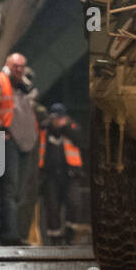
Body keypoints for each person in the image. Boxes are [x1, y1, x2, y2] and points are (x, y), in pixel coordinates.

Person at [0, 52, 40, 245]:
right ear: (8, 65)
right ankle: (9, 235)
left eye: (22, 66)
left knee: (21, 190)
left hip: (25, 143)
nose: (20, 70)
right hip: (8, 141)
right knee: (10, 189)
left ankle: (18, 233)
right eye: (16, 67)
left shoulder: (21, 87)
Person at [38, 104, 85, 245]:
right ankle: (55, 239)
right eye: (54, 119)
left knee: (74, 204)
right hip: (51, 176)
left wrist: (66, 129)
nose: (56, 122)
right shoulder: (45, 131)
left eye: (59, 119)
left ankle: (70, 234)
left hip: (70, 174)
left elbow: (80, 140)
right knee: (52, 208)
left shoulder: (72, 129)